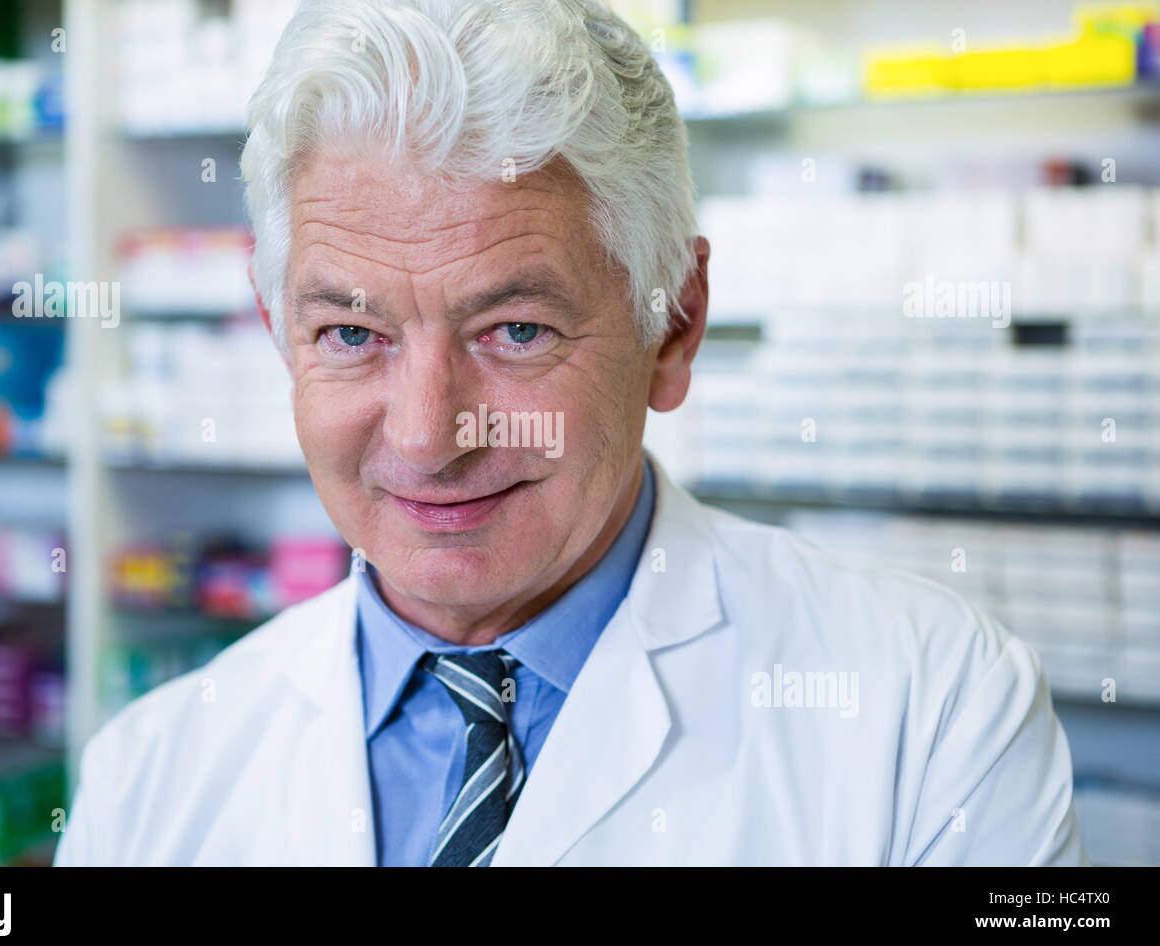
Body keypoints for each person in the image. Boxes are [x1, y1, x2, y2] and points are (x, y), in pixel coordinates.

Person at [54, 0, 1087, 866]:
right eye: (352, 331)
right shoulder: (149, 775)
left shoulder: (935, 706)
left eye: (515, 329)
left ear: (673, 324)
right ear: (280, 333)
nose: (425, 435)